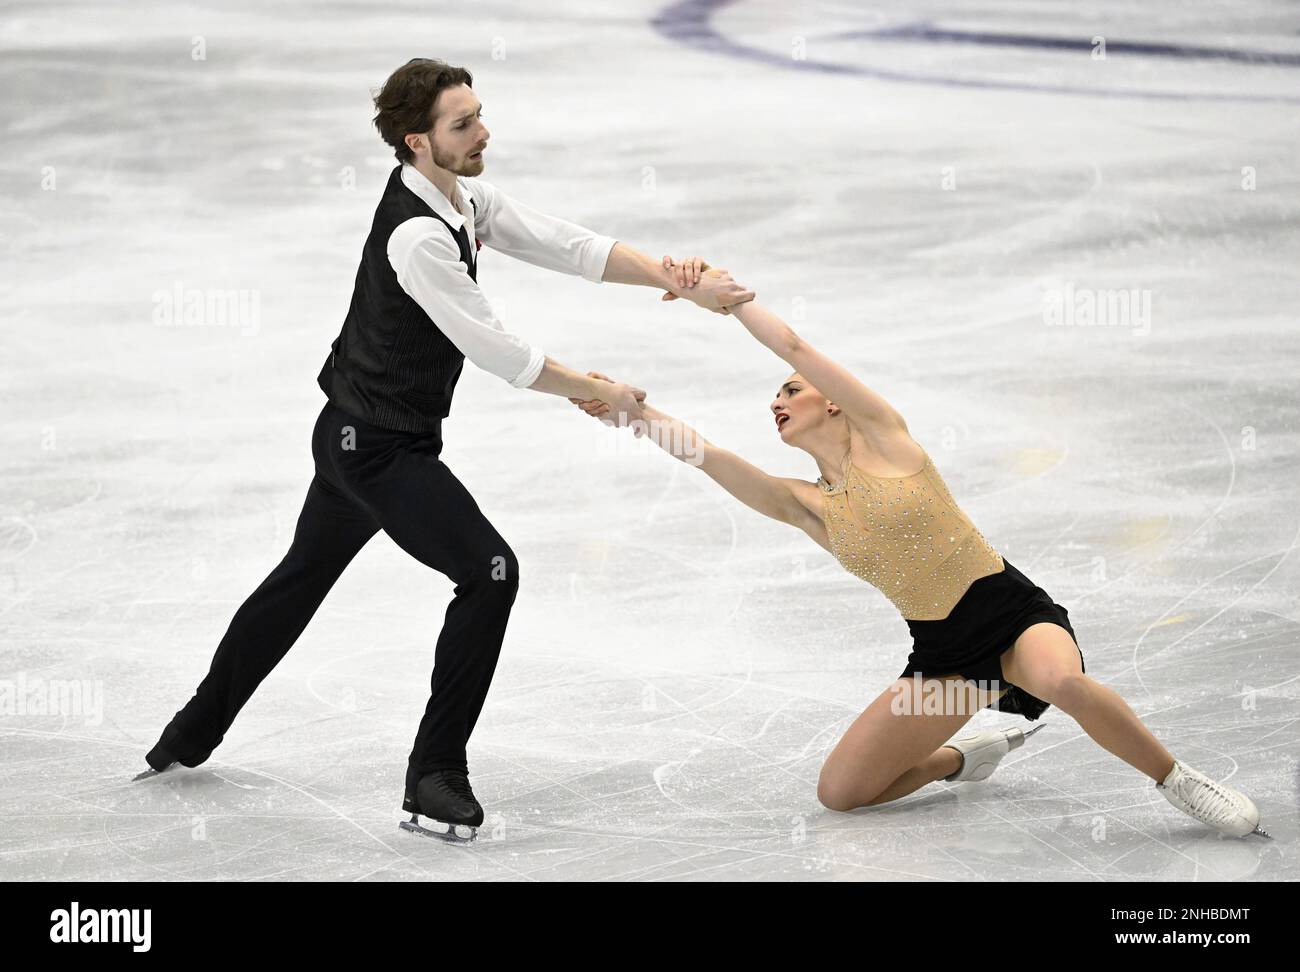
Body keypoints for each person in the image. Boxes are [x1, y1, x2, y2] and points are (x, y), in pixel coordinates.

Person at [139, 59, 754, 844]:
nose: (484, 132)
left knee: (296, 585)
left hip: (356, 435)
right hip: (376, 452)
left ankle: (187, 737)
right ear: (416, 143)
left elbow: (565, 244)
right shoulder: (418, 235)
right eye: (463, 124)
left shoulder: (459, 198)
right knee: (490, 572)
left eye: (479, 114)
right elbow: (500, 352)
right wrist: (602, 393)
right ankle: (435, 776)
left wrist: (673, 276)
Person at [569, 257, 1270, 839]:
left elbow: (797, 349)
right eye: (774, 396)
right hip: (945, 656)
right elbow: (703, 455)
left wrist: (722, 301)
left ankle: (1179, 780)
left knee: (1058, 681)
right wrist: (628, 409)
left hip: (1012, 614)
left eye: (790, 392)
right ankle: (966, 756)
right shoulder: (806, 505)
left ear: (832, 402)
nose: (777, 400)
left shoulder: (885, 438)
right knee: (843, 793)